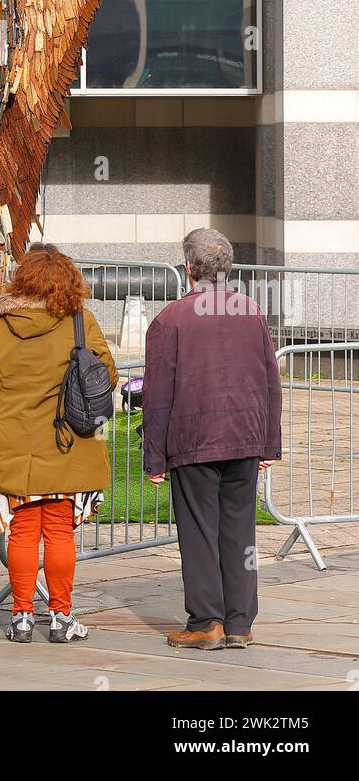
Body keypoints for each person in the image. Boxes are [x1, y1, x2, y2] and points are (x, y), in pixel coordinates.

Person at [143, 227, 283, 650]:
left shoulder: (170, 319)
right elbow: (270, 381)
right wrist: (269, 443)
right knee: (240, 532)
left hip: (194, 440)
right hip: (243, 437)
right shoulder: (252, 311)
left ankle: (207, 622)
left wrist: (155, 457)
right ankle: (239, 622)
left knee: (200, 531)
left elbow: (157, 394)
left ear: (188, 269)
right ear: (227, 269)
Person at [0, 243, 118, 644]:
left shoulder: (0, 323)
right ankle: (60, 617)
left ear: (24, 279)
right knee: (58, 533)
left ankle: (21, 617)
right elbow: (107, 375)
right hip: (67, 444)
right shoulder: (79, 321)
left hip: (13, 443)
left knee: (20, 533)